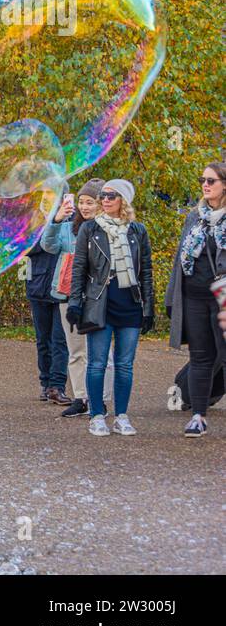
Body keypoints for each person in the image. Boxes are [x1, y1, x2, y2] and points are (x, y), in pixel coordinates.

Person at [67, 179, 154, 437]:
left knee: (125, 364)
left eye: (111, 196)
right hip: (99, 302)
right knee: (96, 363)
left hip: (130, 302)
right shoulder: (90, 229)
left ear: (123, 200)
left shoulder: (138, 231)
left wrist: (149, 308)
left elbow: (146, 272)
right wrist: (74, 303)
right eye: (103, 196)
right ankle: (96, 415)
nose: (105, 200)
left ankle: (122, 416)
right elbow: (79, 268)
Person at [40, 179, 112, 418]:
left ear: (102, 203)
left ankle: (101, 399)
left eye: (90, 202)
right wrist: (57, 219)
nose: (85, 207)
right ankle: (81, 397)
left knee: (102, 352)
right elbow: (48, 245)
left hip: (100, 297)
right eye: (81, 202)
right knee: (76, 350)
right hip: (69, 295)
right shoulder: (69, 227)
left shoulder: (110, 229)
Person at [165, 162, 226, 437]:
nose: (205, 184)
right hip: (194, 296)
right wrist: (171, 299)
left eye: (211, 181)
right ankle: (198, 417)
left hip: (222, 296)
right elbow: (180, 259)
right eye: (203, 179)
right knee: (200, 356)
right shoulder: (195, 217)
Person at [25, 223, 70, 404]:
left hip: (63, 287)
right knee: (43, 339)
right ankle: (45, 382)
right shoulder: (35, 219)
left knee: (60, 340)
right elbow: (24, 248)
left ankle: (57, 386)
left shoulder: (73, 219)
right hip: (39, 285)